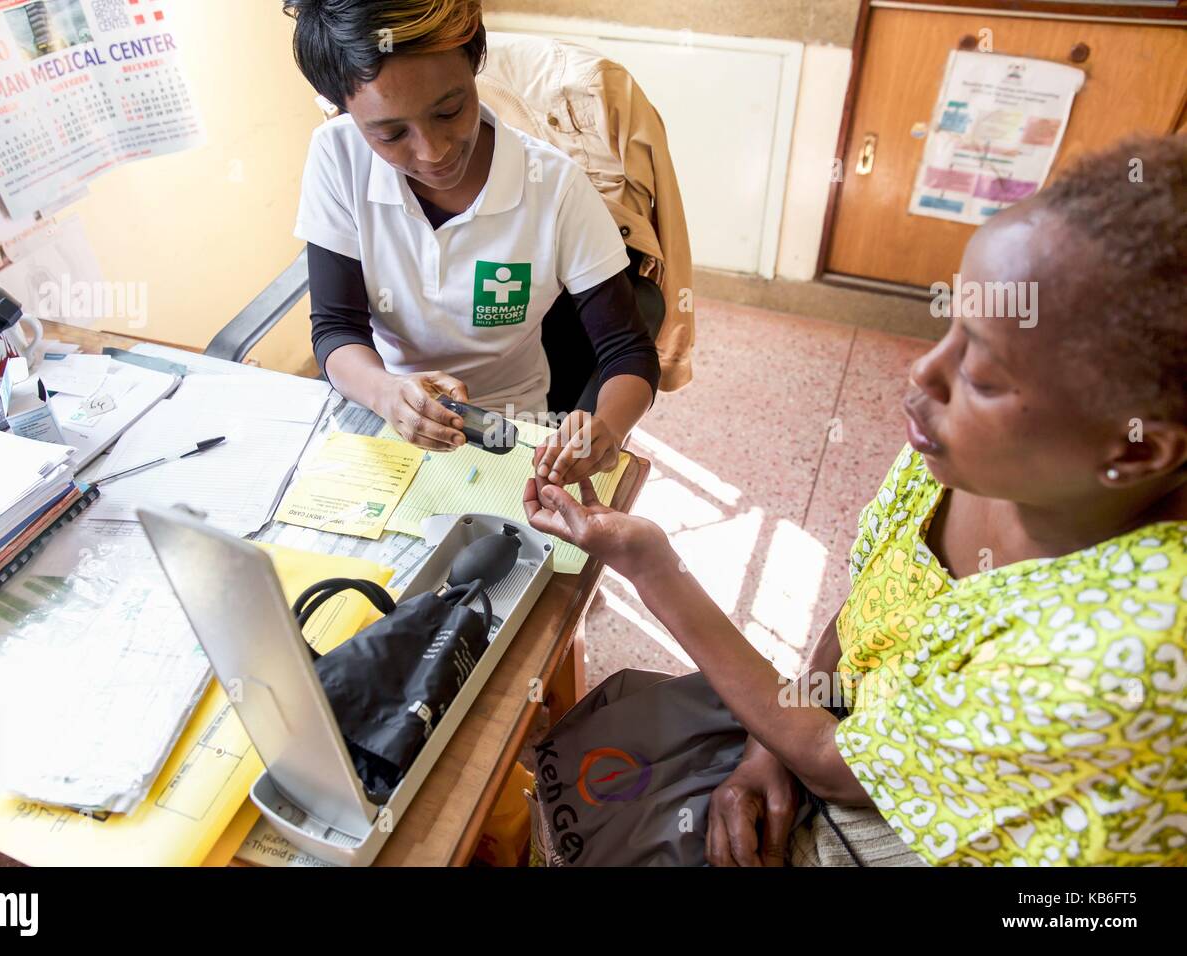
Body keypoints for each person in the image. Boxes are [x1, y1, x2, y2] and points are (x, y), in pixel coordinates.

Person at [525, 133, 1187, 866]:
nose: (923, 373)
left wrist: (652, 566)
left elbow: (840, 764)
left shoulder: (1125, 651)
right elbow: (873, 608)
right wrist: (766, 747)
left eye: (986, 376)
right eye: (952, 326)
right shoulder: (955, 452)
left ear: (1133, 449)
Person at [287, 0, 660, 486]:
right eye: (391, 133)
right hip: (379, 417)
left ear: (474, 63)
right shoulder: (337, 157)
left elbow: (628, 349)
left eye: (449, 110)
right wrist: (386, 393)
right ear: (343, 109)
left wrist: (606, 427)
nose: (432, 151)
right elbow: (336, 327)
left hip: (513, 435)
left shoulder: (553, 187)